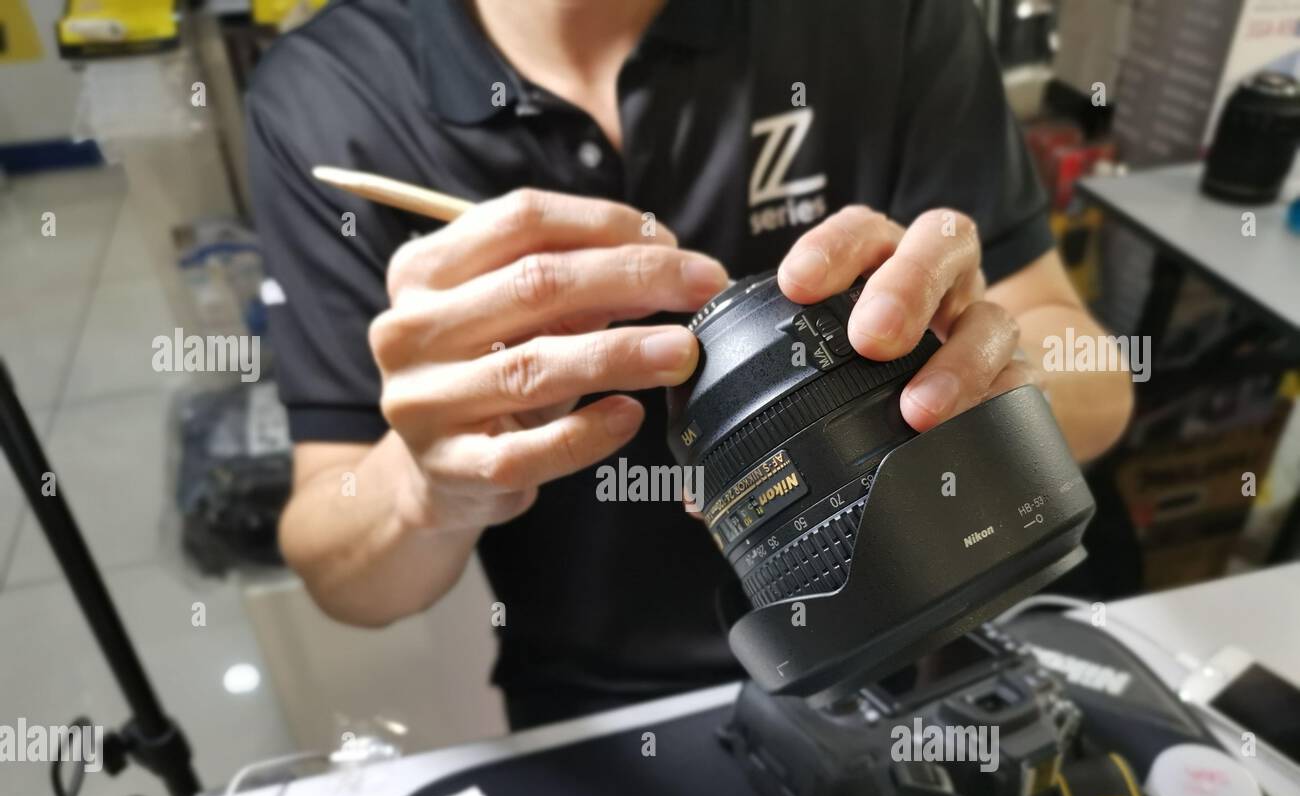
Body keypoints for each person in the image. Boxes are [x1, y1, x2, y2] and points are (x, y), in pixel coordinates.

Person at [246, 0, 1133, 728]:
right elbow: (339, 568)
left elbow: (1085, 365)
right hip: (619, 708)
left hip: (970, 601)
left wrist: (970, 376)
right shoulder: (330, 98)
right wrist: (427, 485)